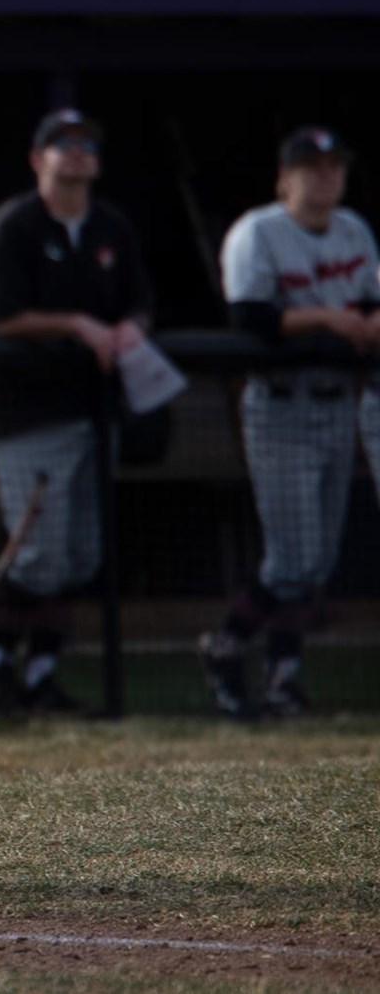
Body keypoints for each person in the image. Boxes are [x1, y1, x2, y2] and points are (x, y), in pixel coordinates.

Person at [0, 108, 154, 716]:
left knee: (80, 555)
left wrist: (130, 328)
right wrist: (77, 325)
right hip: (28, 414)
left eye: (85, 144)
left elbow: (142, 301)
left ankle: (41, 675)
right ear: (37, 158)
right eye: (61, 144)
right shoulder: (16, 225)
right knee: (40, 555)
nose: (75, 153)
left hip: (94, 412)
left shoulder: (112, 227)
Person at [202, 126, 378, 720]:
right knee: (294, 558)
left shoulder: (355, 230)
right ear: (285, 178)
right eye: (310, 166)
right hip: (280, 405)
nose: (324, 175)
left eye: (333, 165)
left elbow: (371, 304)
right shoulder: (258, 232)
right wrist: (331, 317)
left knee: (318, 560)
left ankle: (282, 680)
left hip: (337, 405)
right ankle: (223, 646)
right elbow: (249, 317)